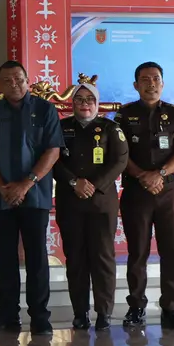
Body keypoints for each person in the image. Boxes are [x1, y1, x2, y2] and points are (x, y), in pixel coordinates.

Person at [0, 60, 64, 336]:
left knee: (37, 258)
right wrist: (4, 187)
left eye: (18, 78)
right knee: (4, 258)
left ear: (28, 80)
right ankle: (7, 315)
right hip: (1, 197)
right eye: (7, 80)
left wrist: (26, 184)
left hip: (35, 196)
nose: (13, 84)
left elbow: (52, 151)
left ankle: (40, 316)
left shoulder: (45, 109)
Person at [115, 61, 174, 330]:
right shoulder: (123, 116)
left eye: (156, 78)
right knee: (137, 253)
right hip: (136, 191)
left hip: (168, 191)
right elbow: (121, 154)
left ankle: (171, 308)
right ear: (136, 85)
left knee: (171, 251)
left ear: (163, 83)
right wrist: (143, 177)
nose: (151, 83)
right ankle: (136, 307)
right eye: (145, 79)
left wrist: (159, 174)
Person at [52, 82, 127, 331]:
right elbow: (52, 159)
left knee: (102, 257)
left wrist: (93, 184)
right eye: (79, 99)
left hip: (101, 203)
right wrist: (75, 182)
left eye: (90, 99)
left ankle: (104, 312)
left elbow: (120, 160)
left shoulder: (110, 128)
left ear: (97, 103)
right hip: (70, 201)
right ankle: (80, 312)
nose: (85, 104)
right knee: (75, 258)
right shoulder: (61, 128)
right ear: (72, 103)